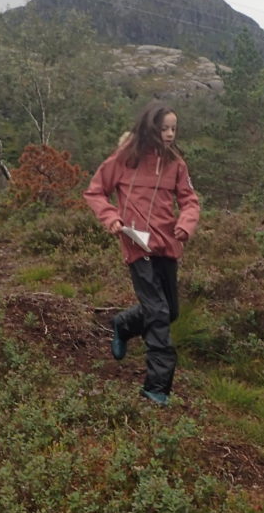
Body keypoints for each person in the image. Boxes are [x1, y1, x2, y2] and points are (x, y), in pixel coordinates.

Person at [84, 103, 201, 406]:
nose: (170, 134)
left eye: (174, 128)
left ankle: (123, 325)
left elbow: (190, 201)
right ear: (150, 127)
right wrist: (112, 219)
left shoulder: (176, 164)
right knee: (159, 313)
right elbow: (95, 191)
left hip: (167, 245)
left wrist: (185, 226)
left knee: (170, 310)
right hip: (137, 244)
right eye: (165, 128)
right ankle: (156, 387)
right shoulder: (125, 159)